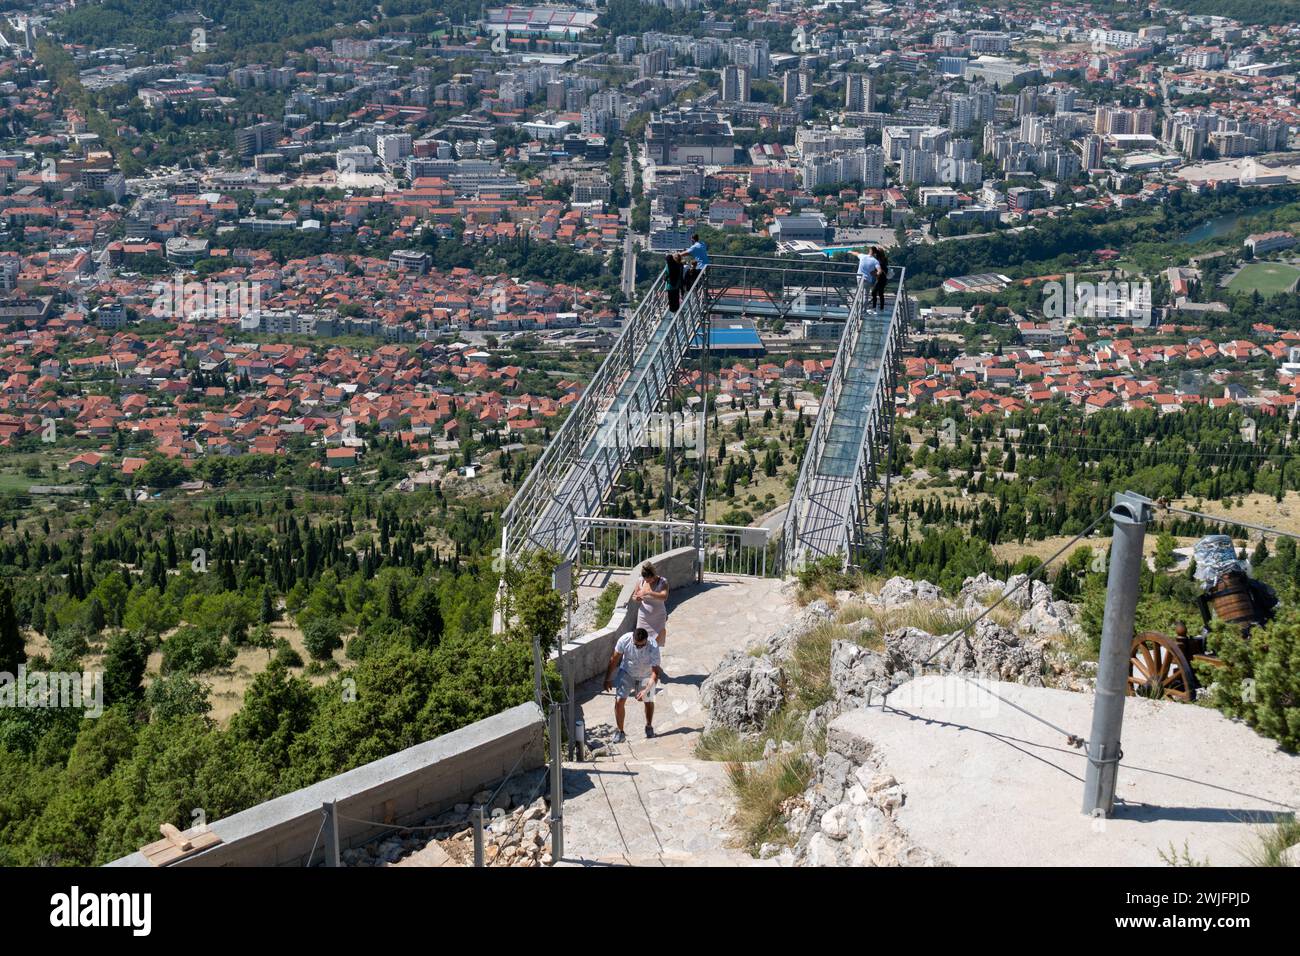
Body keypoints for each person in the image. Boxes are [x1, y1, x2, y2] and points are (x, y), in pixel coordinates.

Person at [603, 627, 662, 742]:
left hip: (645, 674)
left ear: (647, 640)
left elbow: (655, 672)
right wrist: (608, 678)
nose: (639, 647)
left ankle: (649, 726)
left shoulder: (653, 646)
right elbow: (614, 659)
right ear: (632, 639)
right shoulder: (624, 640)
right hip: (627, 672)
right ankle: (620, 731)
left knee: (648, 700)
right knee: (619, 700)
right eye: (636, 645)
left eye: (642, 645)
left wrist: (646, 691)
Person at [633, 561, 669, 647]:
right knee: (640, 639)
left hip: (658, 617)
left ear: (654, 575)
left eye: (649, 579)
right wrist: (637, 598)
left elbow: (664, 597)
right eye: (646, 580)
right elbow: (634, 596)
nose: (647, 581)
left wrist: (649, 592)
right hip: (643, 617)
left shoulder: (663, 581)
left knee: (656, 644)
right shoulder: (640, 581)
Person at [870, 246, 889, 314]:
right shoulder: (884, 259)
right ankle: (881, 308)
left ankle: (874, 308)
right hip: (883, 278)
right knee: (880, 293)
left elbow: (879, 270)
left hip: (880, 278)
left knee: (874, 292)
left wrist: (874, 272)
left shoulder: (879, 261)